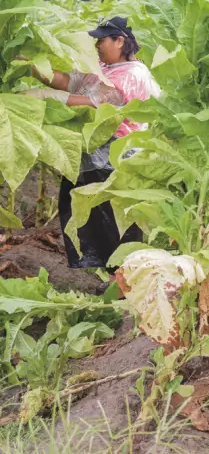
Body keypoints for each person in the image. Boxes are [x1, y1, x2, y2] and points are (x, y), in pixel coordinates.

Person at [20, 16, 160, 271]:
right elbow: (68, 82)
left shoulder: (133, 74)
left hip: (118, 160)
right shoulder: (104, 68)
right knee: (90, 222)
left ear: (120, 41)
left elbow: (91, 102)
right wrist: (31, 65)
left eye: (102, 40)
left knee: (117, 226)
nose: (97, 45)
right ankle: (108, 281)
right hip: (93, 157)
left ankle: (124, 284)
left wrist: (45, 96)